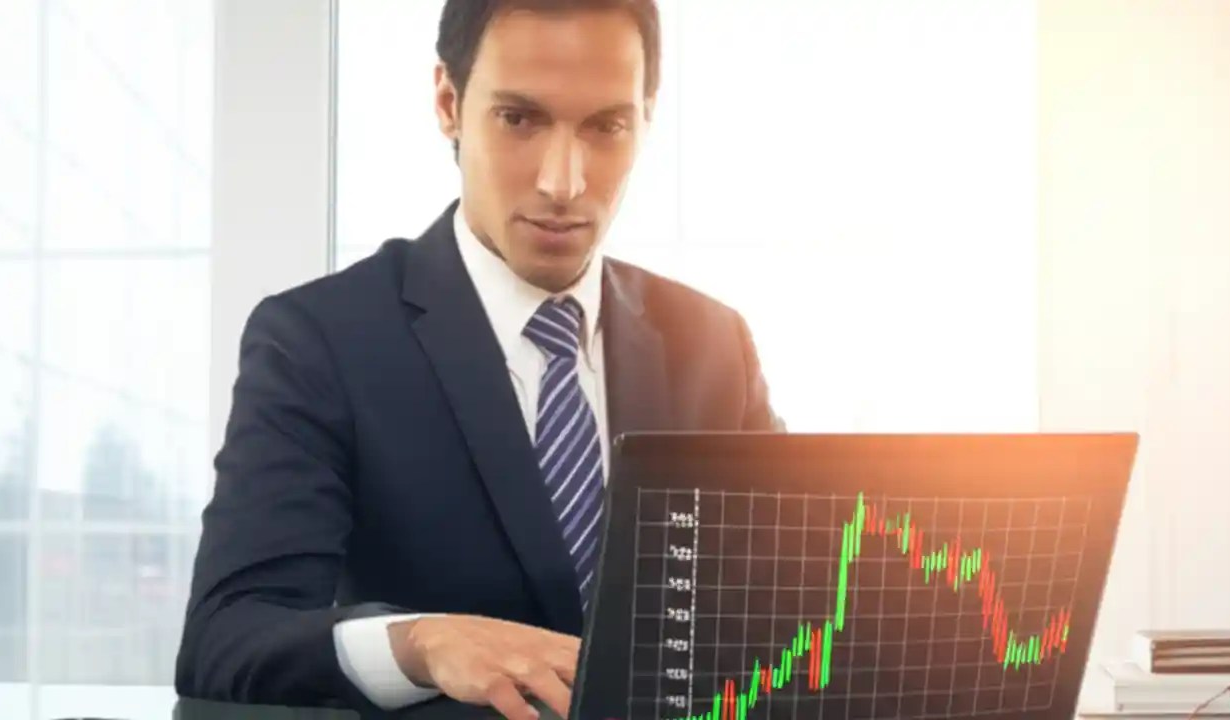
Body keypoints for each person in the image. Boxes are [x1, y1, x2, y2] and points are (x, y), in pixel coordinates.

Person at [175, 1, 783, 718]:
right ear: (449, 103)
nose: (564, 182)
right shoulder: (319, 340)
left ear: (646, 118)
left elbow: (789, 611)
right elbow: (227, 636)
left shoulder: (714, 345)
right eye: (519, 119)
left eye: (606, 126)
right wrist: (423, 643)